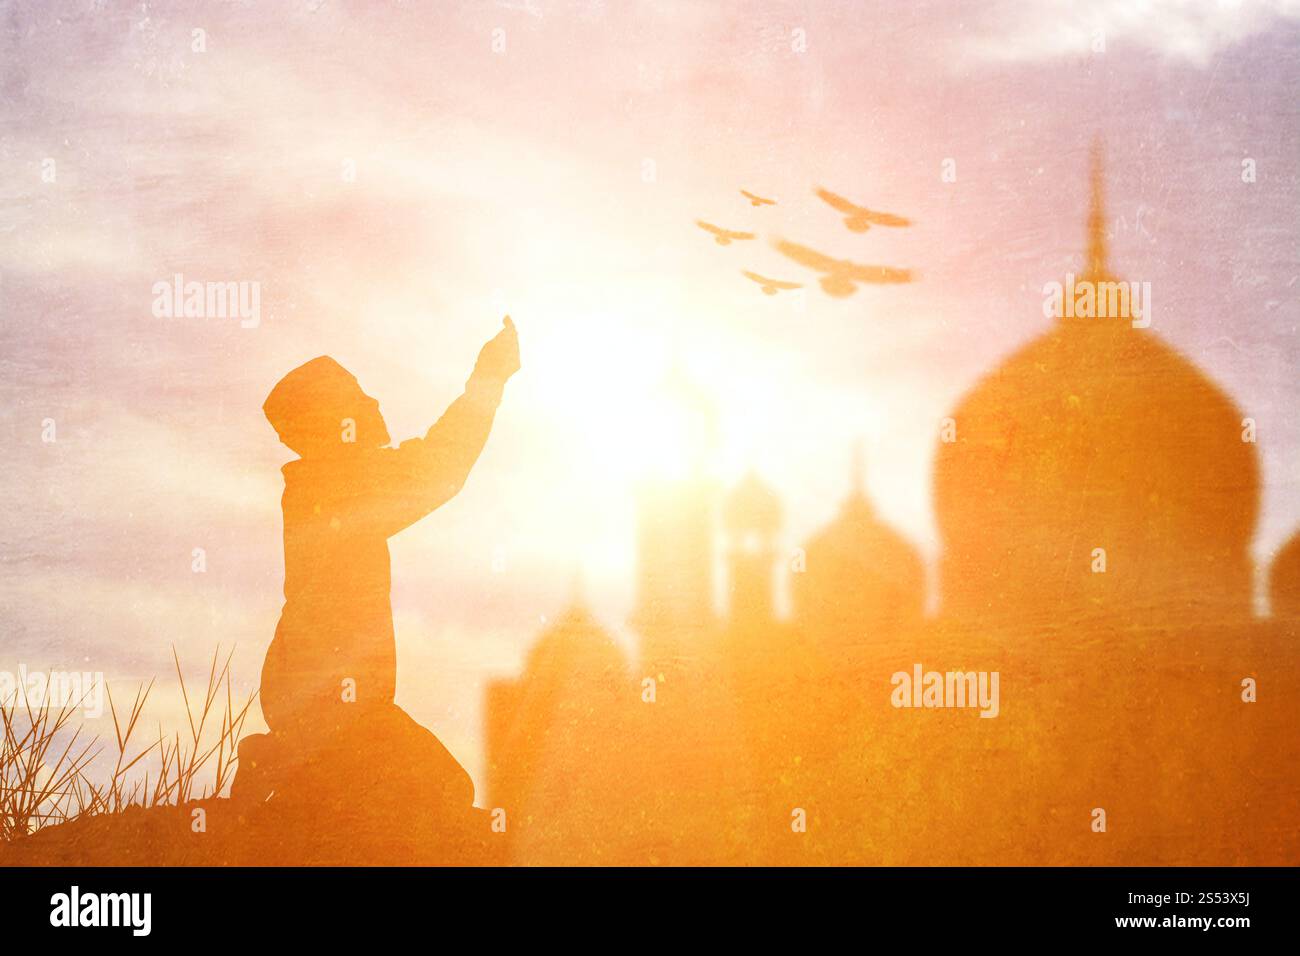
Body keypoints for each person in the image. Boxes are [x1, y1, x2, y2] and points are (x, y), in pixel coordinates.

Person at [234, 318, 520, 815]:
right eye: (358, 397)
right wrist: (487, 381)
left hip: (319, 699)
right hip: (330, 704)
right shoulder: (337, 485)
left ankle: (286, 762)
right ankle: (284, 764)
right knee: (441, 791)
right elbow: (439, 467)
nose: (374, 404)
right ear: (330, 420)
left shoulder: (323, 486)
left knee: (406, 789)